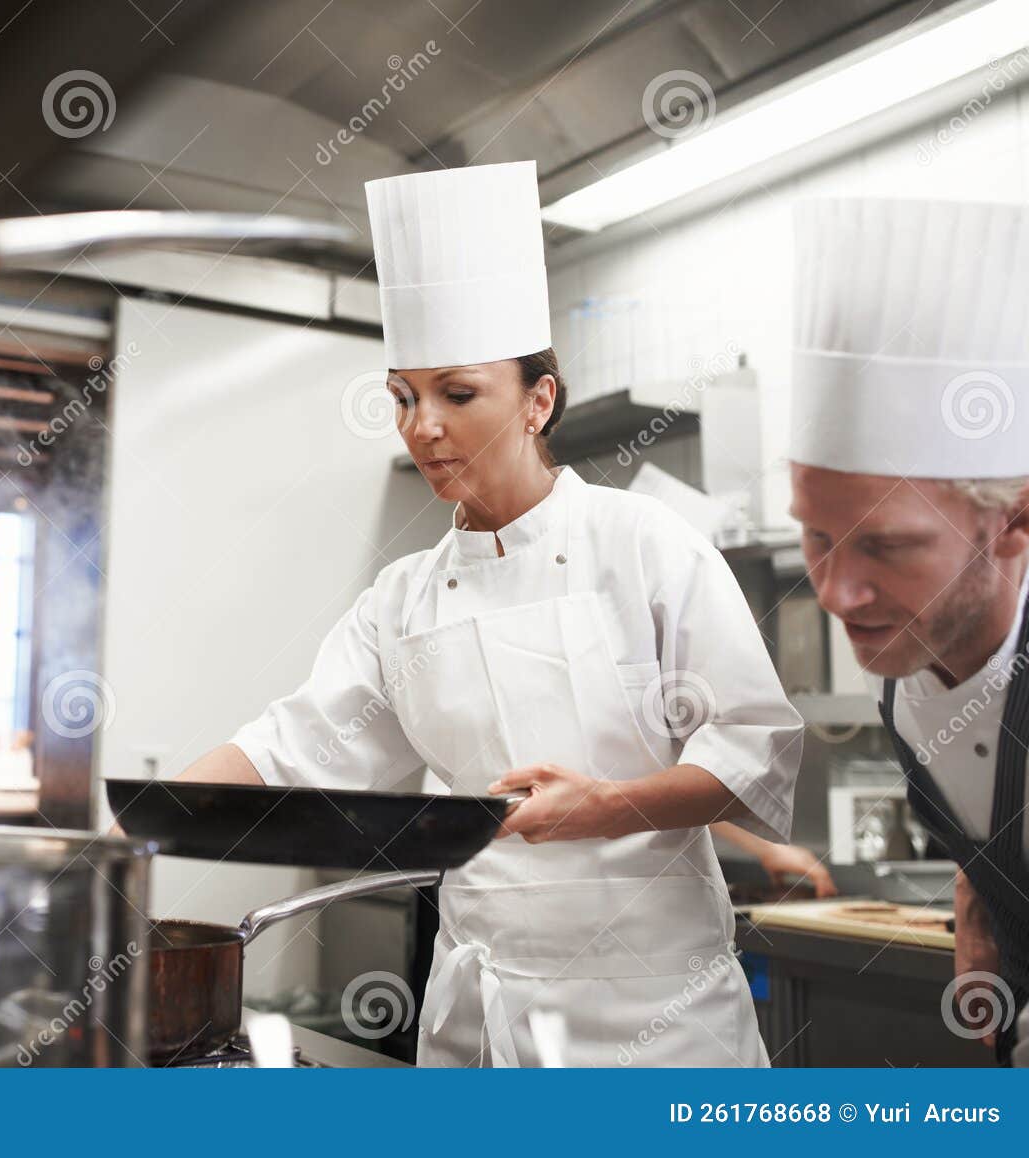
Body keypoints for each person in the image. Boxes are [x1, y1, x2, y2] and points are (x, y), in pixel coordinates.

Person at [170, 162, 803, 1067]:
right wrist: (118, 837)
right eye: (401, 397)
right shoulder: (402, 601)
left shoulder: (643, 544)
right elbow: (284, 749)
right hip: (475, 1020)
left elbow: (755, 751)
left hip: (657, 1030)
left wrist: (606, 805)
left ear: (538, 400)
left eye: (456, 394)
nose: (422, 426)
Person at [788, 197, 1029, 1065]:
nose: (839, 593)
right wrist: (981, 910)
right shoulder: (904, 662)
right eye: (815, 538)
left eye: (889, 546)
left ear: (1013, 520)